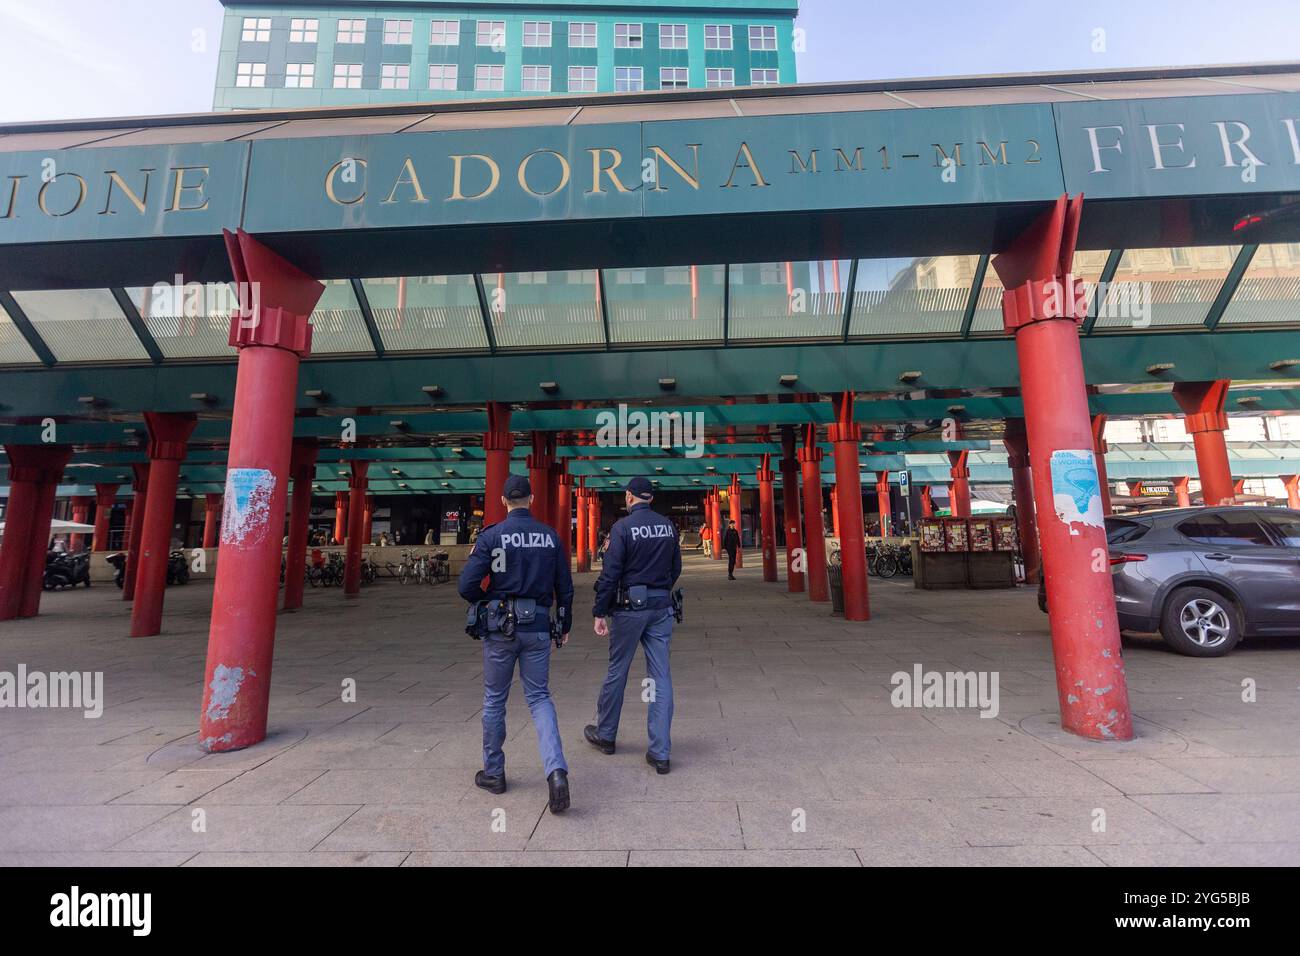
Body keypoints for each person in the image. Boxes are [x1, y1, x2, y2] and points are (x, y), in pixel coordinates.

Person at [457, 474, 572, 813]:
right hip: (537, 626)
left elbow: (466, 585)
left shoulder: (492, 535)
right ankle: (556, 771)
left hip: (500, 630)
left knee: (494, 699)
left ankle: (494, 773)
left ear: (504, 502)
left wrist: (489, 602)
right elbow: (564, 588)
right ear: (532, 499)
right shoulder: (550, 537)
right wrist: (563, 623)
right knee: (539, 698)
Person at [585, 477, 682, 775]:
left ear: (629, 497)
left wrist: (600, 611)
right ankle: (660, 752)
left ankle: (607, 734)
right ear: (650, 498)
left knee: (618, 670)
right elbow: (676, 567)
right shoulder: (668, 526)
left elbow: (611, 573)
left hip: (628, 609)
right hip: (661, 608)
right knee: (660, 676)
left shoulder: (622, 528)